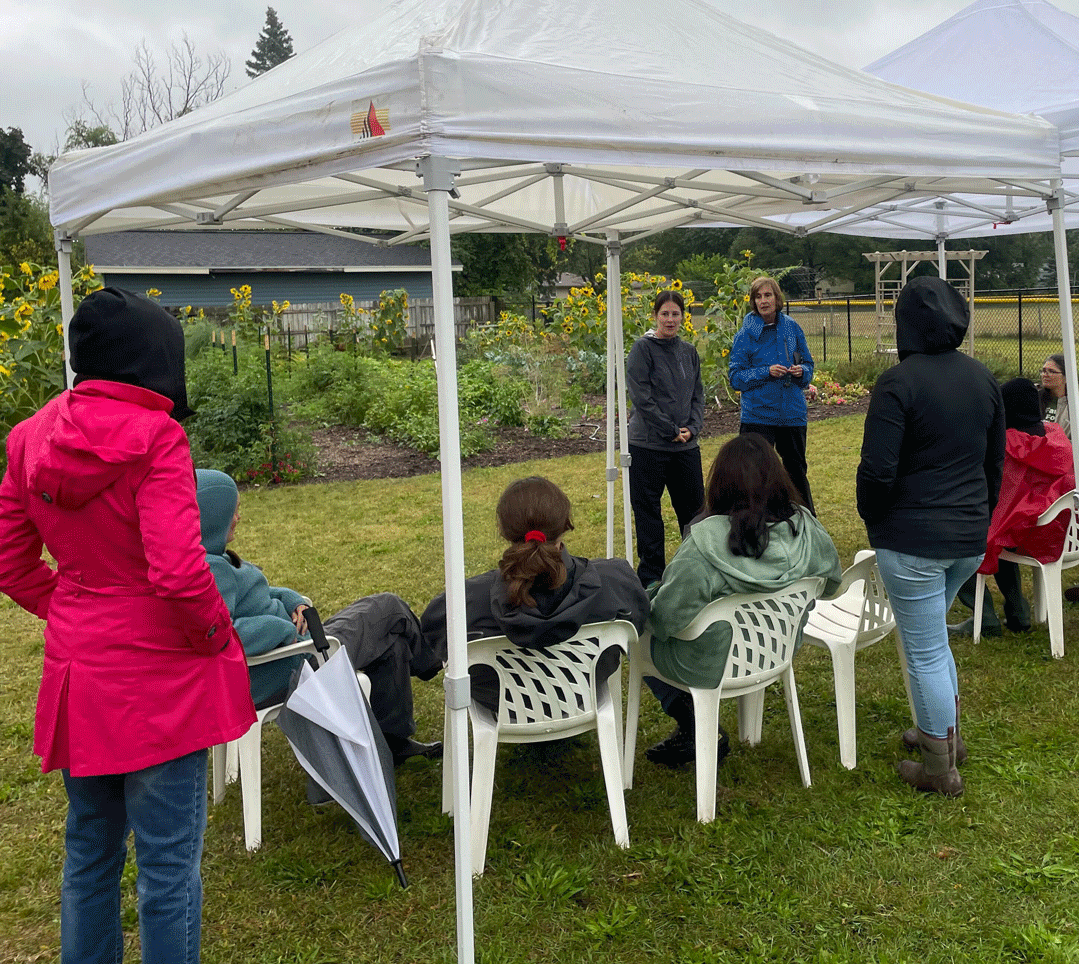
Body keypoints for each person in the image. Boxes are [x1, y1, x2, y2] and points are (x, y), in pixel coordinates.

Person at [0, 287, 256, 964]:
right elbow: (178, 571)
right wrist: (215, 634)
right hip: (160, 676)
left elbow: (11, 562)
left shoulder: (28, 437)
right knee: (167, 865)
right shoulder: (157, 436)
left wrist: (72, 609)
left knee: (90, 849)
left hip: (81, 669)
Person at [856, 277, 1004, 797]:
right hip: (967, 537)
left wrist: (874, 519)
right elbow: (994, 465)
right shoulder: (983, 379)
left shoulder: (898, 383)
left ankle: (939, 768)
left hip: (913, 540)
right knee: (933, 643)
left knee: (923, 652)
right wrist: (979, 517)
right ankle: (944, 735)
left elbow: (876, 471)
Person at [195, 469, 443, 764]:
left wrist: (294, 601)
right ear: (214, 516)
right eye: (234, 511)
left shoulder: (216, 558)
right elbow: (226, 632)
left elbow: (266, 591)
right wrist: (283, 629)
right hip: (294, 663)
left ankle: (392, 743)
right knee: (387, 609)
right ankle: (430, 663)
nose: (238, 518)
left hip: (298, 650)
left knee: (391, 640)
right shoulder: (212, 570)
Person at [643, 434, 841, 769]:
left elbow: (664, 620)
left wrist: (648, 596)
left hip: (709, 664)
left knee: (637, 634)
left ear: (720, 484)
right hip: (776, 650)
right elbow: (831, 585)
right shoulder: (807, 529)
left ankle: (691, 722)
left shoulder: (703, 545)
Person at [420, 475, 650, 715]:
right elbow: (639, 620)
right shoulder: (616, 580)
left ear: (503, 530)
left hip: (503, 703)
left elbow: (434, 642)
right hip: (582, 693)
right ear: (565, 524)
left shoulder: (461, 602)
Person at [969, 378, 1079, 621]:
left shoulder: (1009, 447)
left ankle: (989, 617)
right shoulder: (1057, 439)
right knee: (1006, 529)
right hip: (1064, 534)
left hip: (1030, 536)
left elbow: (996, 499)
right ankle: (1017, 611)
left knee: (967, 540)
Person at [627, 290, 705, 588]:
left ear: (683, 316)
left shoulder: (688, 352)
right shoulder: (642, 350)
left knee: (694, 512)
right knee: (648, 513)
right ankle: (651, 578)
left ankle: (695, 570)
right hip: (648, 446)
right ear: (655, 316)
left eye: (675, 314)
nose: (670, 320)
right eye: (665, 314)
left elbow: (698, 394)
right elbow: (642, 398)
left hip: (686, 447)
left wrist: (692, 428)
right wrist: (671, 429)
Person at [728, 275, 817, 512]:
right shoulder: (745, 334)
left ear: (777, 298)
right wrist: (765, 372)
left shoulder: (792, 327)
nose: (763, 301)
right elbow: (735, 378)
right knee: (755, 475)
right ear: (753, 301)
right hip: (758, 416)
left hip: (792, 414)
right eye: (758, 296)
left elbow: (808, 365)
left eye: (768, 295)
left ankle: (806, 521)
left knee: (796, 472)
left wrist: (802, 371)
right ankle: (754, 521)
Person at [1039, 352, 1079, 455]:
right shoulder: (1032, 400)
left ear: (1066, 377)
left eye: (1051, 371)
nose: (1045, 375)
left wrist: (1058, 447)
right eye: (1044, 371)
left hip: (1062, 459)